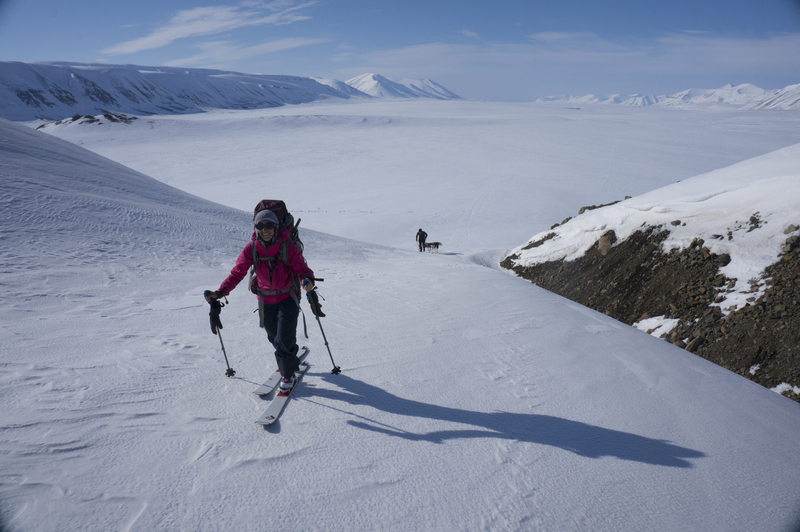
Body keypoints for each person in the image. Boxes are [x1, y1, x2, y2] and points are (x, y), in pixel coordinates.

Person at [204, 209, 315, 392]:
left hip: (288, 296)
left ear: (276, 227)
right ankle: (288, 354)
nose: (265, 229)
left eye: (269, 225)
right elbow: (237, 273)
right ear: (256, 228)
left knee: (283, 337)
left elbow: (302, 267)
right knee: (273, 335)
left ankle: (288, 375)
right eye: (260, 226)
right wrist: (220, 292)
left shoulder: (287, 246)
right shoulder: (252, 248)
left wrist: (307, 280)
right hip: (266, 300)